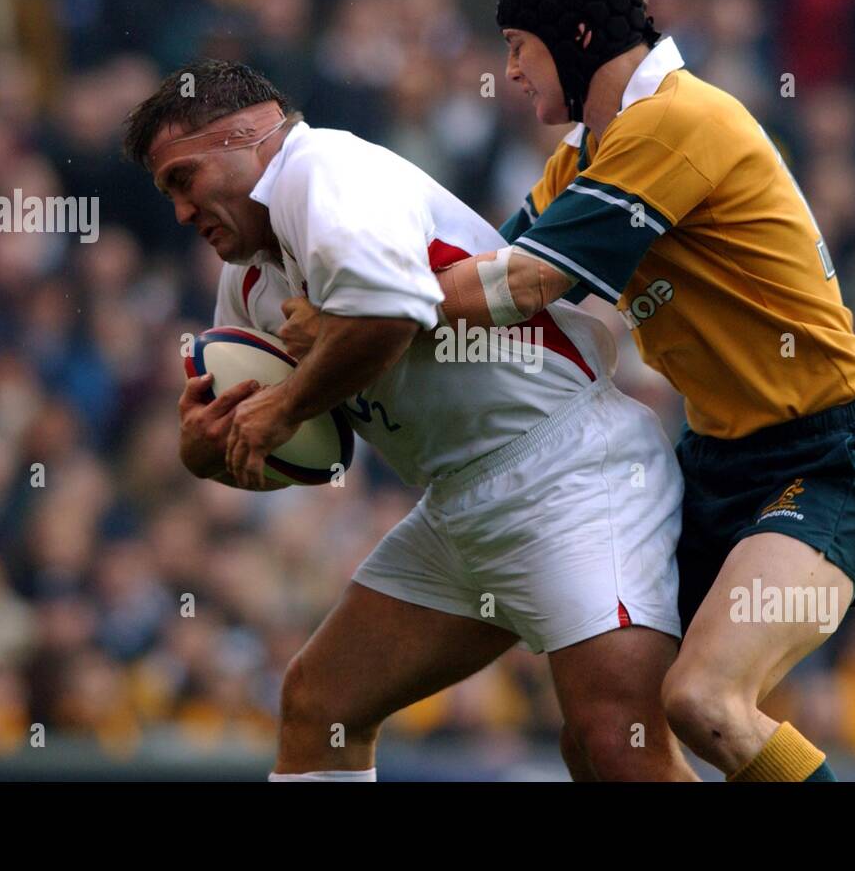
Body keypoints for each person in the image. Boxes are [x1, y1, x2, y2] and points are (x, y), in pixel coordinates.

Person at [123, 59, 696, 781]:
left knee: (615, 744)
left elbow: (386, 319)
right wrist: (202, 451)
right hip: (459, 501)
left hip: (570, 473)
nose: (179, 211)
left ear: (248, 135)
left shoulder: (321, 169)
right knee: (321, 706)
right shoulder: (249, 281)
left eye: (183, 179)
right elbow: (313, 454)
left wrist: (284, 404)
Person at [433, 0, 855, 781]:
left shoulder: (678, 121)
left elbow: (523, 283)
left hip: (833, 459)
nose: (508, 72)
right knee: (603, 727)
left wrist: (363, 301)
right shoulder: (581, 160)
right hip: (715, 462)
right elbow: (476, 268)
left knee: (703, 701)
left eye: (517, 46)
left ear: (575, 37)